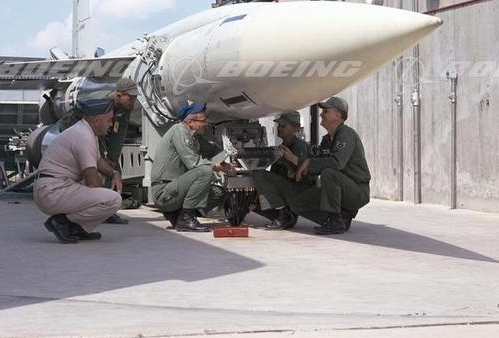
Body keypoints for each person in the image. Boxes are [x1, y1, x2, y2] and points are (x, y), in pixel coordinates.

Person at [251, 96, 370, 236]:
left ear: (337, 115)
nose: (321, 114)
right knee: (297, 203)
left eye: (325, 111)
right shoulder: (326, 140)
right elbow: (314, 164)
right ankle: (336, 218)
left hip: (356, 191)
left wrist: (305, 163)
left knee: (329, 173)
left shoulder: (346, 134)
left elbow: (337, 163)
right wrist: (299, 162)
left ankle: (336, 221)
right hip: (337, 188)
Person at [34, 93, 123, 244]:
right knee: (113, 200)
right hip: (52, 191)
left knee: (102, 195)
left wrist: (113, 173)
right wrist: (104, 199)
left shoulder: (86, 131)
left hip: (54, 187)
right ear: (96, 120)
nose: (111, 124)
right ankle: (62, 222)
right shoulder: (83, 136)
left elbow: (98, 161)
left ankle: (77, 228)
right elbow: (93, 183)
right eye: (109, 120)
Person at [56, 76, 138, 224]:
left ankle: (106, 209)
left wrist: (112, 158)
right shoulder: (102, 103)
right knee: (92, 168)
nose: (134, 102)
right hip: (76, 127)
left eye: (135, 98)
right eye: (130, 98)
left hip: (95, 131)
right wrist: (102, 155)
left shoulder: (124, 108)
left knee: (112, 168)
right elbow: (90, 126)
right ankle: (90, 207)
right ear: (118, 95)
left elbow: (118, 134)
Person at [150, 102, 234, 232]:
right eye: (203, 121)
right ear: (190, 122)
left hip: (176, 189)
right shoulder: (179, 130)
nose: (206, 124)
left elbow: (214, 151)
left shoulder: (195, 137)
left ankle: (177, 214)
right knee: (205, 171)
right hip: (164, 192)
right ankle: (186, 218)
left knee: (218, 194)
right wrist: (218, 166)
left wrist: (231, 154)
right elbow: (193, 163)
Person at [253, 111, 311, 228]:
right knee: (253, 202)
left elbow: (305, 175)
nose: (279, 128)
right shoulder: (282, 148)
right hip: (286, 189)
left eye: (283, 126)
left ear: (295, 128)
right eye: (279, 125)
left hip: (297, 190)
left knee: (258, 174)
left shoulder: (299, 146)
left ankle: (285, 215)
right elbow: (275, 174)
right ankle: (285, 215)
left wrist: (291, 159)